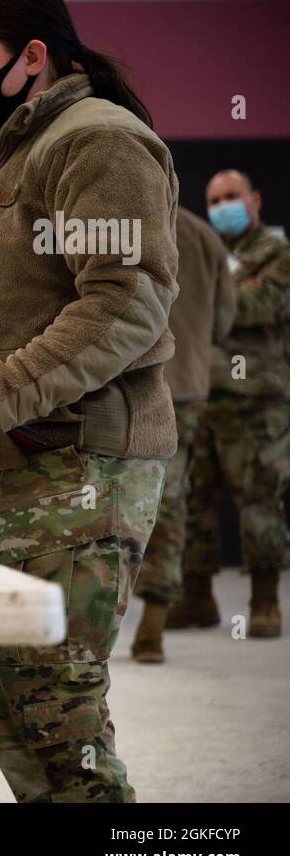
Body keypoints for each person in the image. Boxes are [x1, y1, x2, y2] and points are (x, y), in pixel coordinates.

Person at [0, 0, 178, 802]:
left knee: (61, 720)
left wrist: (7, 393)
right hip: (27, 464)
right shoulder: (16, 154)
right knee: (27, 715)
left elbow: (126, 297)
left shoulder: (97, 142)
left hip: (83, 465)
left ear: (33, 56)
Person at [172, 170, 290, 638]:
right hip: (202, 396)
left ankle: (265, 602)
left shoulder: (277, 255)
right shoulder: (210, 255)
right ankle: (197, 597)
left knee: (259, 500)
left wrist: (205, 299)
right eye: (215, 200)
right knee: (192, 501)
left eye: (232, 197)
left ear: (255, 200)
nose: (223, 206)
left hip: (256, 402)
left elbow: (253, 308)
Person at [130, 208, 236, 662]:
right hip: (189, 385)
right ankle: (153, 625)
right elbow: (224, 319)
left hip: (131, 386)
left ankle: (86, 623)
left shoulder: (120, 222)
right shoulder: (205, 236)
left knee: (101, 496)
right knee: (171, 500)